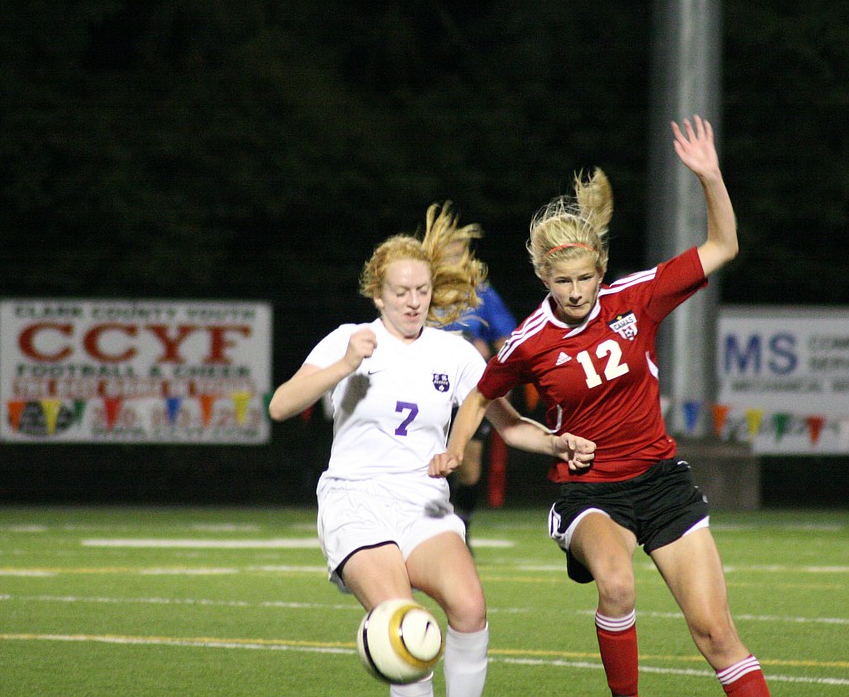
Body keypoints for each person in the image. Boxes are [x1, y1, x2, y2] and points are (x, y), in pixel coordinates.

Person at [432, 117, 772, 697]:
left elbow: (724, 246)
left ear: (601, 270)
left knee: (716, 633)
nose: (575, 291)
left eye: (585, 277)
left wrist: (711, 176)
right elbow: (482, 396)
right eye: (562, 280)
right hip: (590, 491)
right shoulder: (529, 341)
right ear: (544, 276)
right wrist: (456, 448)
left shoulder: (635, 298)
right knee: (615, 583)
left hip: (662, 481)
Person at [268, 202, 595, 697]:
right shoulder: (348, 340)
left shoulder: (454, 352)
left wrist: (555, 442)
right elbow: (280, 406)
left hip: (423, 501)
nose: (413, 301)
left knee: (469, 607)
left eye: (421, 290)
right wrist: (342, 367)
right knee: (405, 626)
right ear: (378, 295)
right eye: (401, 292)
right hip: (356, 501)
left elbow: (508, 426)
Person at [440, 240, 519, 543]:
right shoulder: (420, 287)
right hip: (431, 387)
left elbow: (504, 339)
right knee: (426, 457)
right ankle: (430, 528)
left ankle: (463, 527)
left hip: (470, 389)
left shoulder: (480, 291)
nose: (455, 256)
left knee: (469, 463)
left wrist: (505, 379)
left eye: (460, 250)